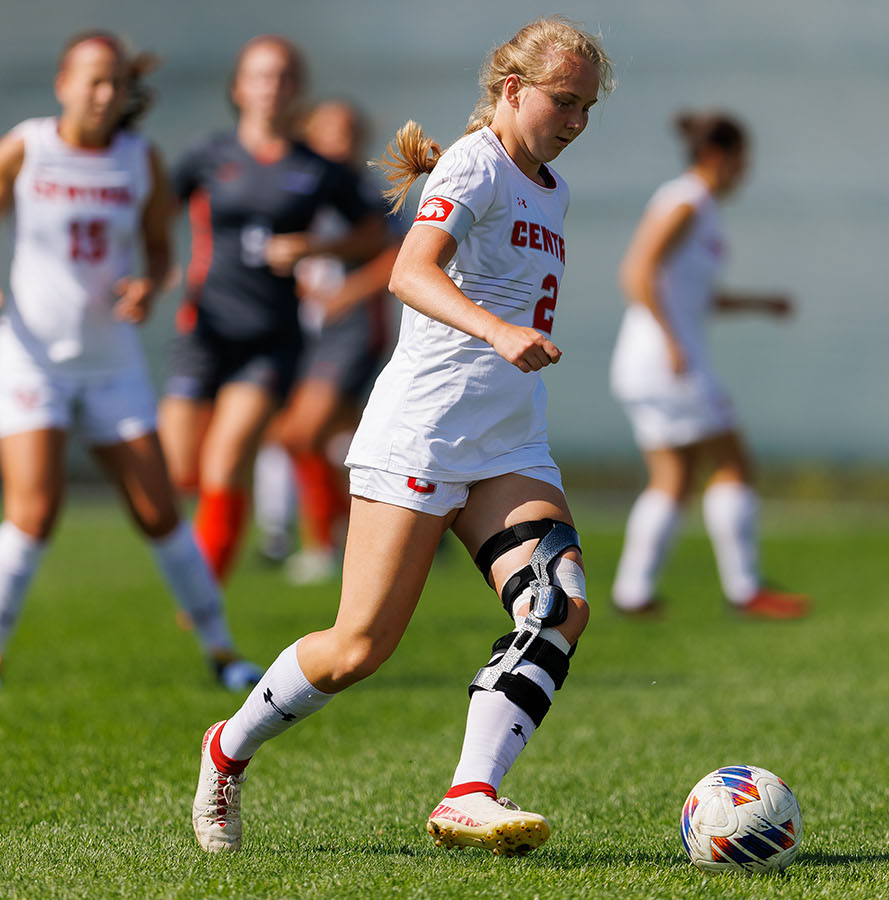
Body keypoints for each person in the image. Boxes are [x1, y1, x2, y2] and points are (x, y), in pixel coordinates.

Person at [190, 18, 614, 855]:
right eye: (563, 102)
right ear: (512, 90)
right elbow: (407, 270)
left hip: (507, 442)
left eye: (587, 107)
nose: (575, 121)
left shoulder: (551, 185)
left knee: (557, 604)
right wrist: (497, 332)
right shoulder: (473, 163)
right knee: (358, 648)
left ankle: (470, 792)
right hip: (420, 435)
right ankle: (225, 748)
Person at [0, 30, 262, 694]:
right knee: (34, 513)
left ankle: (222, 651)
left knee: (159, 512)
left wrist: (148, 287)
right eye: (91, 80)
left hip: (110, 363)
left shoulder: (139, 160)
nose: (104, 93)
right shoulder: (25, 147)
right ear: (62, 84)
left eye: (115, 82)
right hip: (32, 360)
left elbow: (156, 250)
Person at [160, 36, 387, 584]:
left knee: (229, 457)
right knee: (179, 469)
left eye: (283, 76)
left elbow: (375, 235)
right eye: (260, 75)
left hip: (272, 337)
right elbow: (152, 214)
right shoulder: (206, 155)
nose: (271, 86)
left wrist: (313, 248)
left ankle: (203, 598)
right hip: (204, 328)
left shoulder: (318, 170)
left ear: (297, 90)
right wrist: (151, 267)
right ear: (239, 88)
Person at [608, 112, 810, 620]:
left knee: (672, 478)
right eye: (744, 160)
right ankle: (745, 589)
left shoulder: (699, 207)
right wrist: (671, 340)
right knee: (735, 463)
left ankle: (633, 594)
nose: (746, 171)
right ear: (720, 156)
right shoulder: (685, 200)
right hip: (667, 363)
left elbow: (693, 296)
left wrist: (761, 305)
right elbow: (636, 271)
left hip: (649, 363)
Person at [254, 98, 402, 584]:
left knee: (302, 434)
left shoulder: (367, 196)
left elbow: (401, 254)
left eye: (349, 131)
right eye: (330, 130)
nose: (341, 140)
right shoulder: (299, 189)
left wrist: (348, 293)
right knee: (352, 440)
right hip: (306, 331)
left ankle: (324, 543)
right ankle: (408, 522)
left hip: (353, 330)